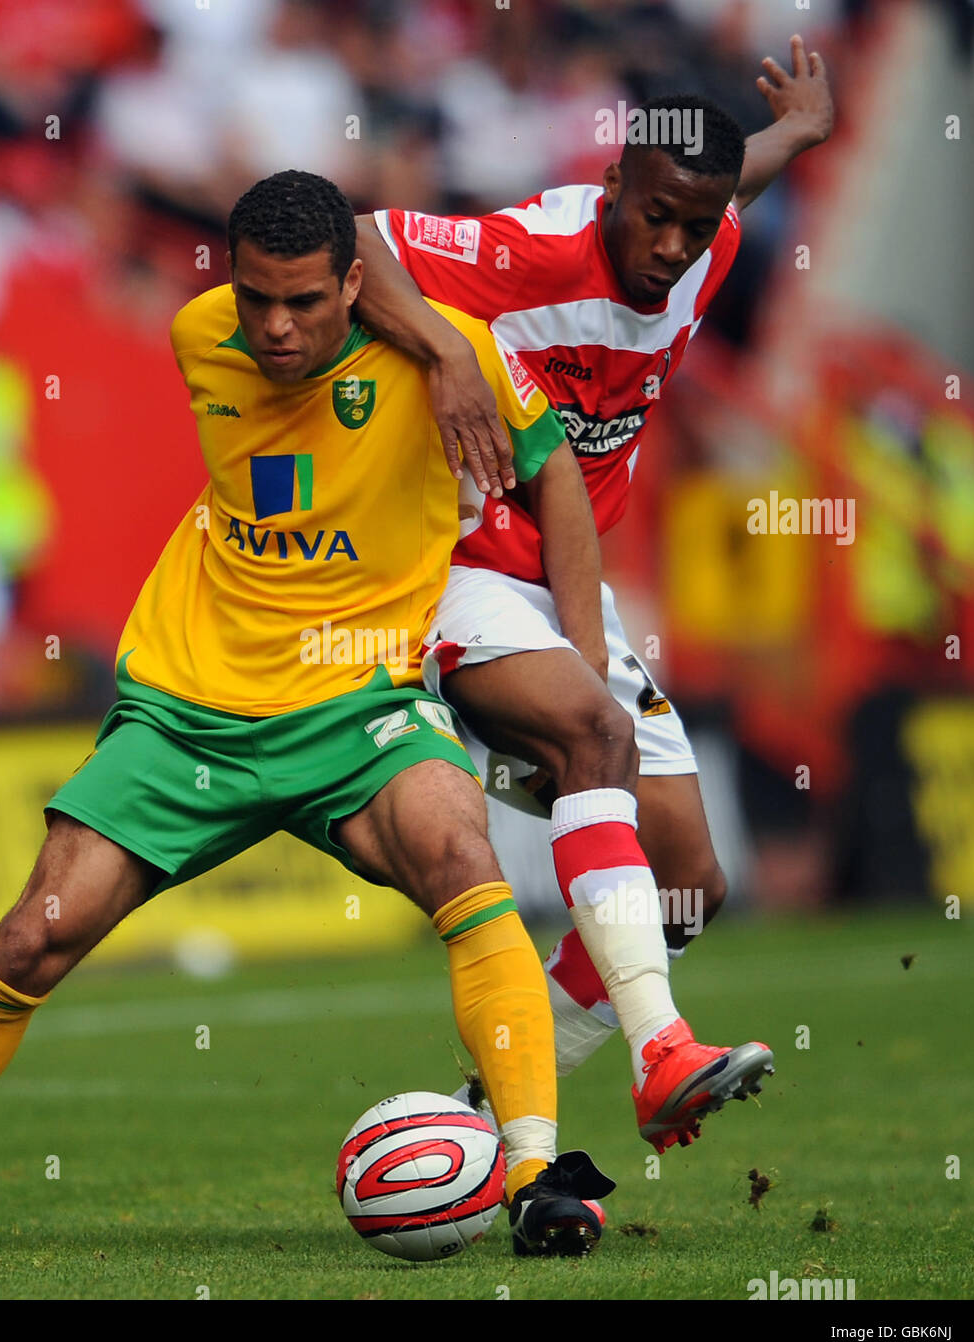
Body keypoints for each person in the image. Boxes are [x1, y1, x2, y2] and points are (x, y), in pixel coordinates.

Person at [0, 170, 616, 1262]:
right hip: (188, 711)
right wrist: (436, 342)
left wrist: (586, 659)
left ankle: (533, 1177)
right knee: (31, 937)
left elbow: (555, 472)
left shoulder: (462, 362)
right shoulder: (205, 336)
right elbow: (329, 279)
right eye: (258, 298)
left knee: (462, 860)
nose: (276, 327)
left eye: (305, 301)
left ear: (354, 286)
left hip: (357, 709)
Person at [350, 39, 834, 1151]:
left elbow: (728, 179)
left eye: (695, 226)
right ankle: (662, 1050)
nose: (671, 247)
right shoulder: (532, 249)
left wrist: (799, 134)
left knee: (690, 884)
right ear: (612, 184)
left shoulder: (704, 237)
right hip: (459, 565)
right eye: (653, 216)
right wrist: (447, 354)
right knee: (589, 736)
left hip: (568, 577)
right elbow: (361, 235)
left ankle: (483, 1116)